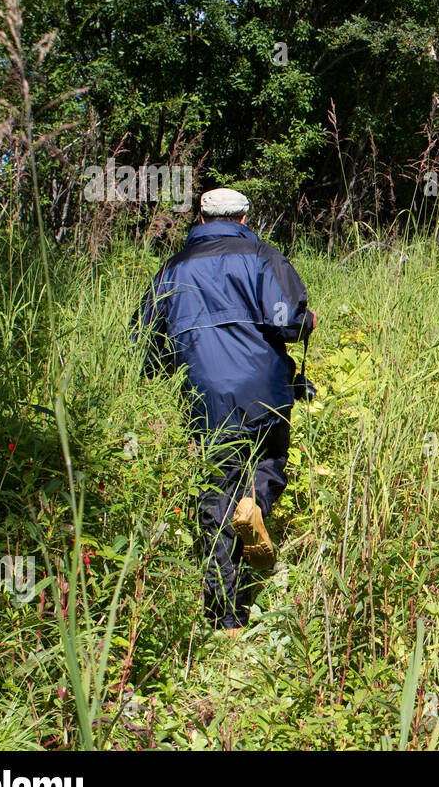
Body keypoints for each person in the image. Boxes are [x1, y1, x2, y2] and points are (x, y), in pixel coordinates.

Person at [135, 187, 318, 635]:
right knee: (271, 459)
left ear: (200, 217)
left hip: (202, 396)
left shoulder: (171, 269)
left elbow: (146, 345)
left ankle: (226, 619)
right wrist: (306, 320)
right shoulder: (262, 256)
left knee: (214, 493)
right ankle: (254, 502)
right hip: (264, 387)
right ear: (243, 217)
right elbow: (288, 323)